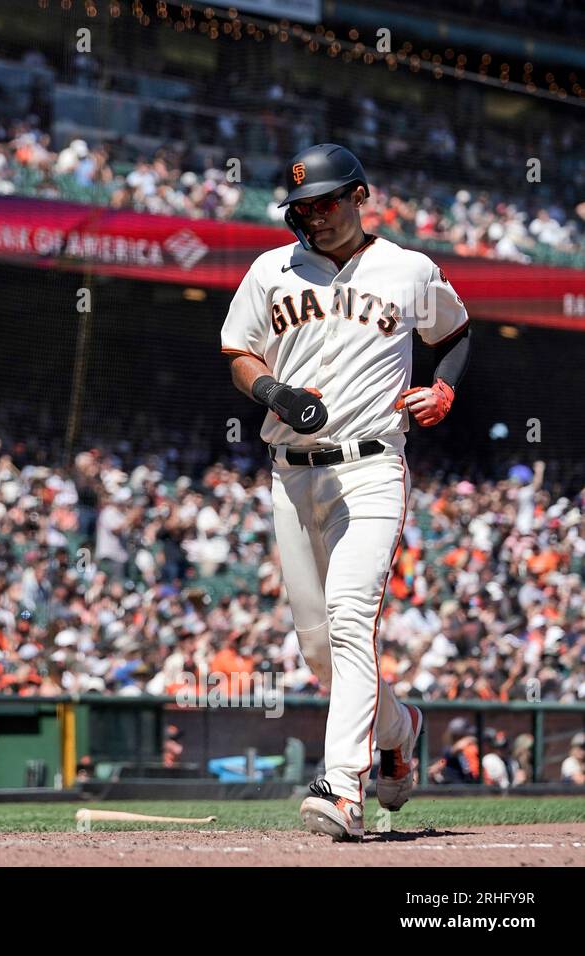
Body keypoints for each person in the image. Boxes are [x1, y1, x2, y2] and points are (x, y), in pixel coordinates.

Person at [221, 144, 472, 841]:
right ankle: (398, 729)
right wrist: (272, 389)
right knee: (318, 650)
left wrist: (445, 385)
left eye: (326, 202)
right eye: (302, 208)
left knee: (350, 617)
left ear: (359, 196)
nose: (313, 217)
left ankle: (342, 787)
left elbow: (454, 331)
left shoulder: (409, 269)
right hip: (291, 474)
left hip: (370, 468)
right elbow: (238, 352)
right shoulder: (271, 268)